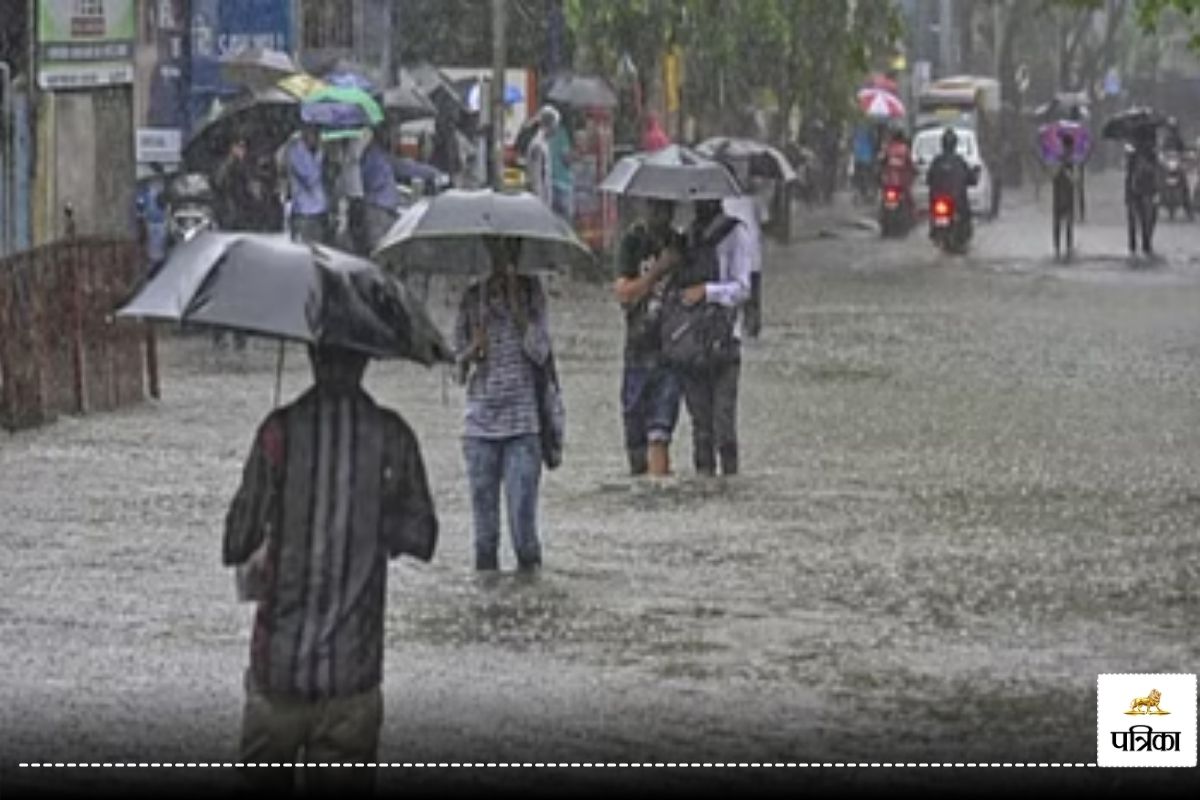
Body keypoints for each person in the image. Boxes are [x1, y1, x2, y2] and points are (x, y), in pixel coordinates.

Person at [222, 344, 437, 795]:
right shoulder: (392, 436)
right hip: (352, 680)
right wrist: (375, 518)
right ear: (366, 360)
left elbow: (235, 542)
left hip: (278, 672)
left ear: (312, 356)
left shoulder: (278, 434)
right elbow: (423, 536)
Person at [455, 237, 553, 573]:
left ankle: (530, 600)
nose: (503, 262)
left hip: (523, 426)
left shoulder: (532, 293)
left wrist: (518, 310)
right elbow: (456, 369)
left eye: (510, 253)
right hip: (480, 427)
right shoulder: (472, 298)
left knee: (523, 532)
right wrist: (472, 349)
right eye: (497, 253)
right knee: (485, 539)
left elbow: (541, 353)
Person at [675, 199, 753, 477]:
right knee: (700, 427)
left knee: (723, 424)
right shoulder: (688, 237)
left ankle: (730, 479)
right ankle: (704, 483)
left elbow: (743, 288)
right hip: (691, 342)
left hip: (724, 342)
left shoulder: (735, 234)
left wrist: (707, 291)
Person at [614, 198, 684, 476]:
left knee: (660, 433)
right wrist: (657, 272)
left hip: (670, 352)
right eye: (656, 208)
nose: (661, 215)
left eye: (667, 209)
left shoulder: (680, 244)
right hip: (637, 350)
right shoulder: (632, 242)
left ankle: (659, 489)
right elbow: (623, 294)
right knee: (635, 438)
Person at [359, 125, 402, 255]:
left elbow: (404, 166)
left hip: (387, 210)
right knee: (378, 249)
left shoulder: (383, 155)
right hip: (377, 209)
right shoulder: (372, 156)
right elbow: (369, 181)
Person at [287, 124, 331, 245]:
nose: (317, 138)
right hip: (305, 213)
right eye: (315, 134)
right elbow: (311, 178)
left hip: (318, 212)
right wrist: (320, 154)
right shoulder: (296, 151)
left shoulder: (312, 152)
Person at [926, 127, 975, 233]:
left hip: (942, 200)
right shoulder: (959, 161)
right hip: (954, 201)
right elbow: (971, 178)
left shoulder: (937, 161)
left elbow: (928, 179)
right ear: (955, 144)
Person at [212, 133, 256, 232]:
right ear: (233, 148)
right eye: (240, 147)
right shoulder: (227, 164)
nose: (243, 151)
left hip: (242, 211)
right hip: (228, 209)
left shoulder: (245, 165)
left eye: (244, 147)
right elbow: (218, 181)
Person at [1052, 133, 1078, 260]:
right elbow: (1054, 176)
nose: (1068, 150)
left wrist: (1068, 173)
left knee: (1068, 223)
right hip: (1059, 194)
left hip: (1068, 194)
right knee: (1058, 222)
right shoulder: (1059, 159)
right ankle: (1057, 248)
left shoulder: (1073, 161)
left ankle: (1068, 246)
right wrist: (1060, 168)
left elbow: (1075, 179)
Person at [526, 106, 559, 210]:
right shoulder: (538, 145)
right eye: (556, 124)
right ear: (551, 124)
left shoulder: (544, 143)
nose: (556, 128)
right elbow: (537, 177)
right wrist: (541, 204)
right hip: (540, 202)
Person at [430, 106, 462, 184]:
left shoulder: (452, 136)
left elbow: (454, 152)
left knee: (445, 182)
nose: (452, 125)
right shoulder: (446, 136)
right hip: (443, 166)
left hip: (446, 167)